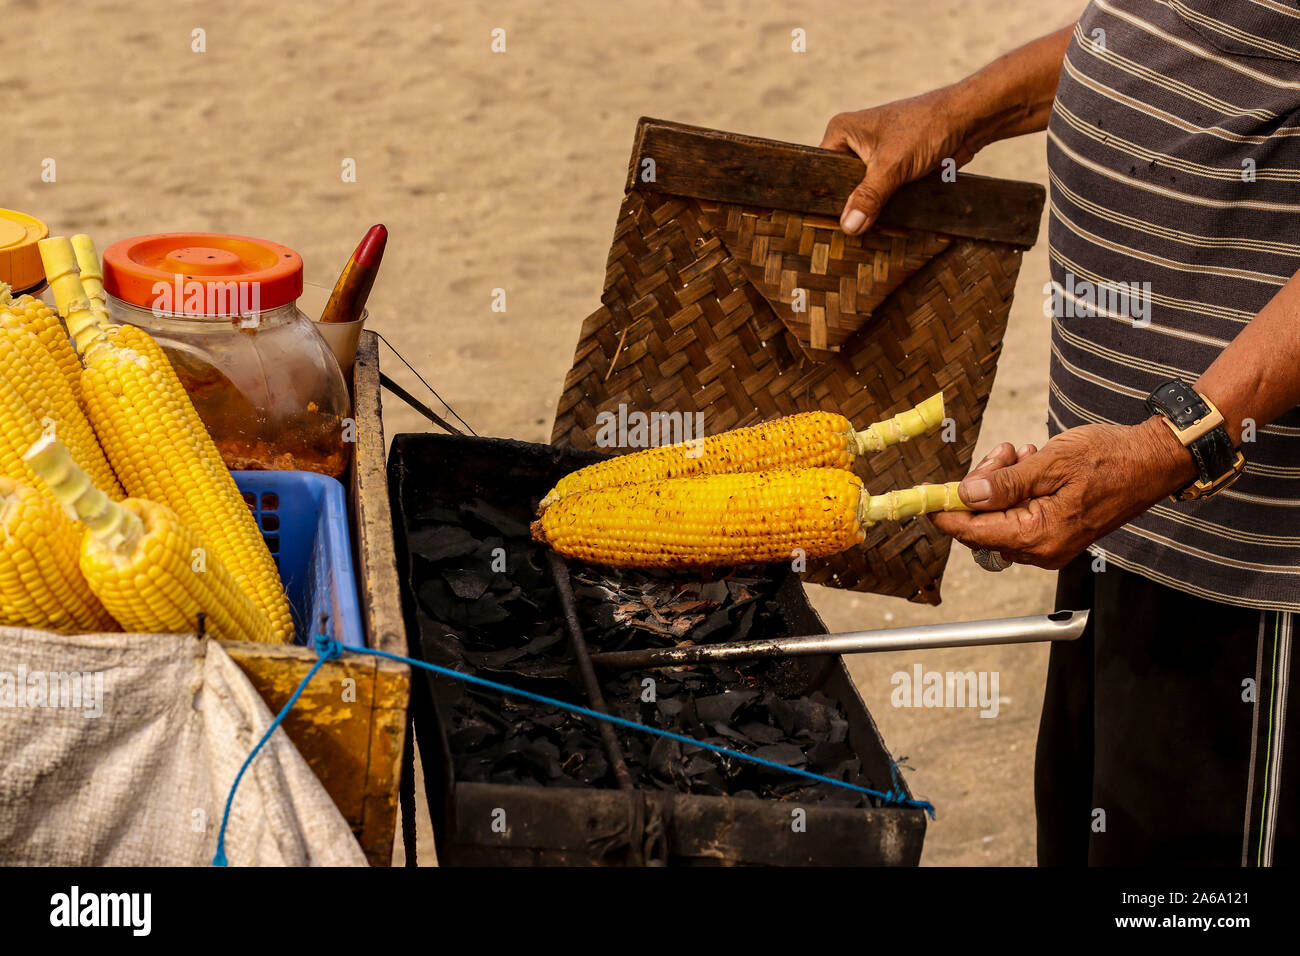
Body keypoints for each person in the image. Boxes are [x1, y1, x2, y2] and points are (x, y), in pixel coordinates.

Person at [822, 0, 1298, 866]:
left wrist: (1170, 444)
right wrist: (963, 111)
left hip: (1252, 566)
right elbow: (1172, 34)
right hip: (1116, 511)